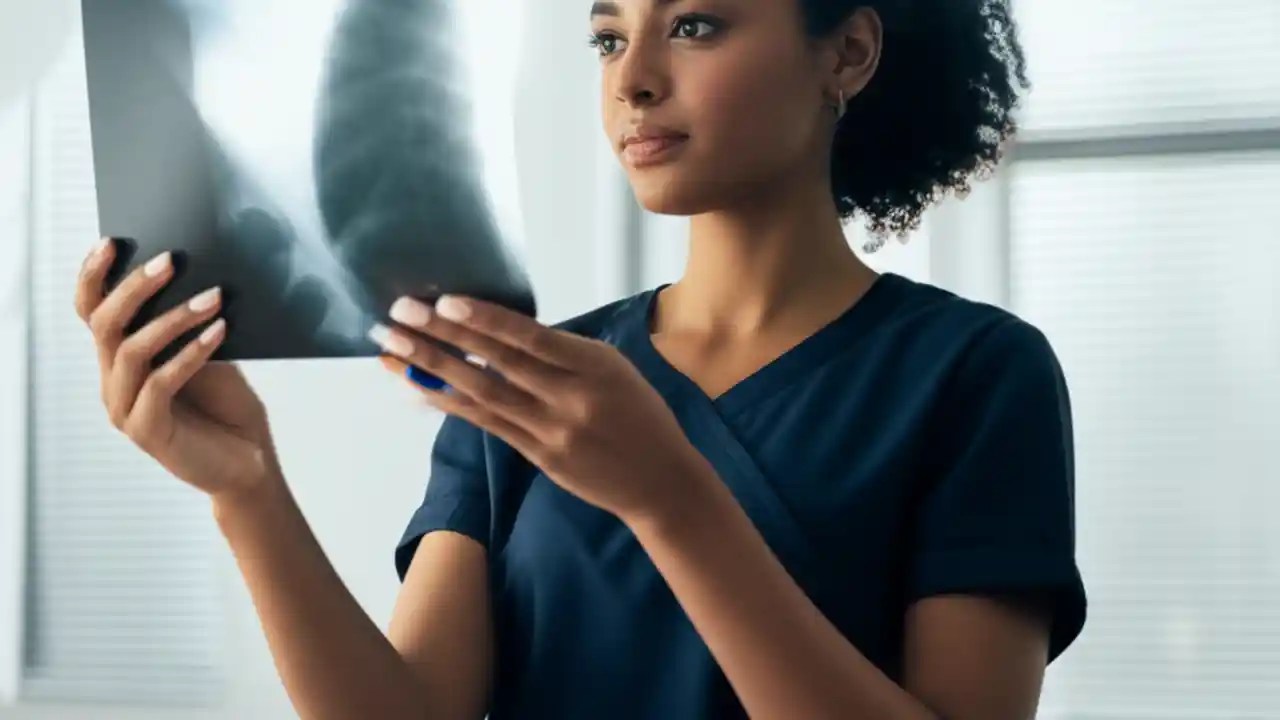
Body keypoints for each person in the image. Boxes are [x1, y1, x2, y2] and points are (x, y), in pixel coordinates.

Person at [73, 0, 1086, 718]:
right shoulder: (533, 380)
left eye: (694, 26)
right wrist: (246, 487)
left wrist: (668, 501)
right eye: (607, 36)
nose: (632, 80)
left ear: (848, 52)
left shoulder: (975, 375)